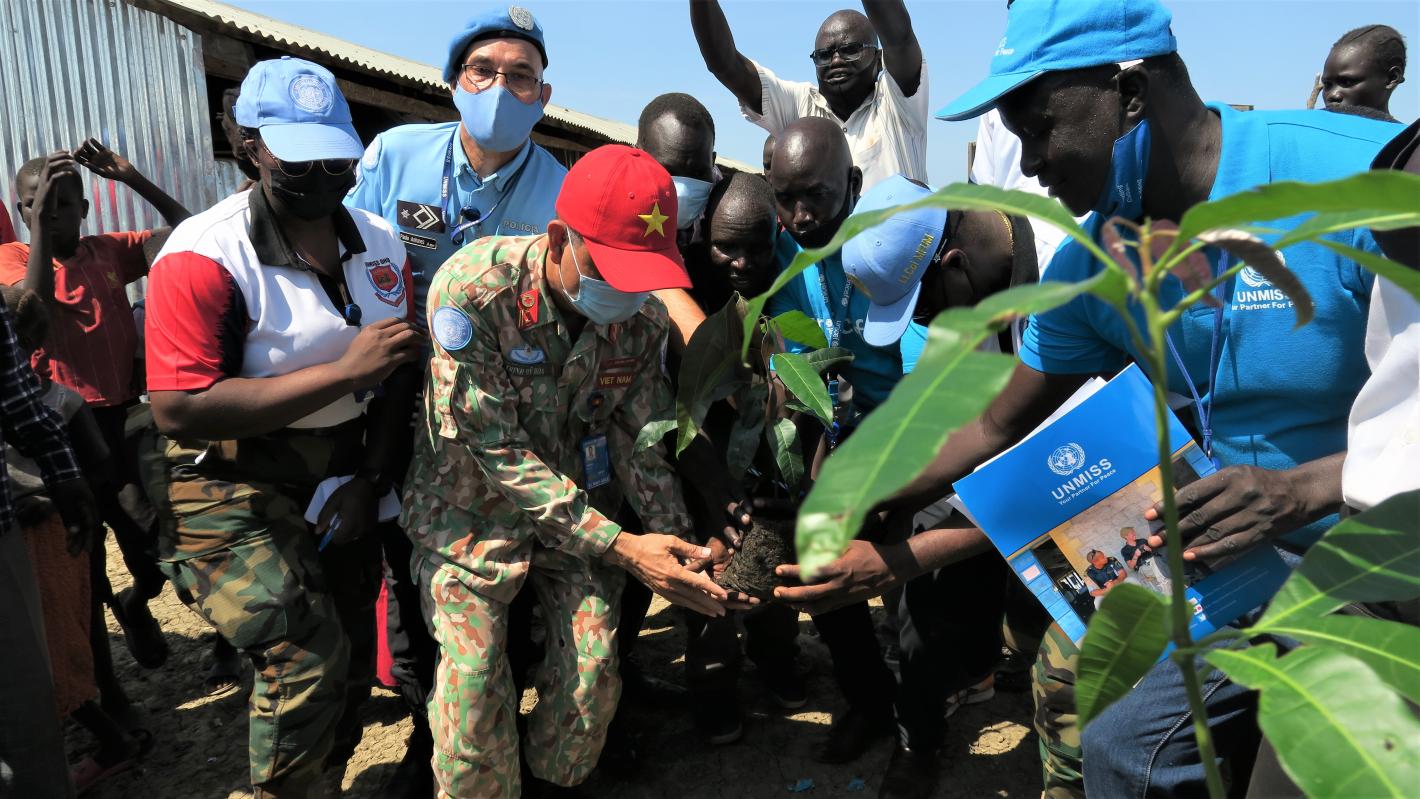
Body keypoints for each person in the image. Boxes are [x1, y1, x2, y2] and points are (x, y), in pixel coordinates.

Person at [788, 0, 1397, 795]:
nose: (1029, 162)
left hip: (1374, 555)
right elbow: (1001, 419)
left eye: (1038, 128)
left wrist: (1302, 487)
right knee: (1119, 748)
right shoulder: (1093, 261)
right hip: (1233, 563)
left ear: (1131, 92)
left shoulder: (1363, 179)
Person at [404, 144, 745, 797]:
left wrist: (681, 551)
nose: (624, 290)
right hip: (468, 518)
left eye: (642, 273)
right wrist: (624, 545)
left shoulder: (641, 320)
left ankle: (557, 782)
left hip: (572, 525)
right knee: (473, 693)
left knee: (593, 674)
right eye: (610, 268)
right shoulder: (474, 293)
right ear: (558, 238)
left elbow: (639, 440)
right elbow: (495, 448)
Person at [142, 57, 423, 797]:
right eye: (299, 157)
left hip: (338, 468)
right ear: (249, 148)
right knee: (306, 654)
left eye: (336, 153)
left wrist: (371, 480)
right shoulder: (205, 255)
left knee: (355, 658)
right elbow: (180, 405)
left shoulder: (380, 244)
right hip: (225, 478)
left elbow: (398, 375)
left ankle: (322, 776)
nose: (324, 171)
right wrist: (343, 373)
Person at [343, 9, 566, 792]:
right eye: (483, 70)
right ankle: (425, 730)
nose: (500, 87)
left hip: (500, 423)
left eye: (520, 76)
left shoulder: (560, 195)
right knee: (412, 581)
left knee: (504, 587)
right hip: (399, 406)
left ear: (544, 94)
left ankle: (510, 733)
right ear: (452, 81)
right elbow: (346, 256)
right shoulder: (395, 158)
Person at [771, 170, 1036, 798]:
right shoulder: (974, 289)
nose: (925, 320)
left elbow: (1045, 476)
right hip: (1011, 463)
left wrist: (897, 561)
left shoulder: (1061, 287)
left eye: (921, 302)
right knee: (929, 603)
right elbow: (984, 432)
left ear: (954, 261)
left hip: (1096, 484)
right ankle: (922, 730)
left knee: (1049, 653)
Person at [2, 142, 190, 673]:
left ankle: (137, 602)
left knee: (150, 541)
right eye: (40, 205)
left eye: (65, 204)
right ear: (23, 211)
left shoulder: (106, 251)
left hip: (118, 420)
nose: (53, 214)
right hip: (56, 432)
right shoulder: (13, 258)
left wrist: (134, 178)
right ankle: (107, 641)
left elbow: (190, 230)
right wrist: (38, 232)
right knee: (82, 558)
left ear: (85, 209)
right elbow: (30, 309)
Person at [0, 284, 148, 793]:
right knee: (62, 646)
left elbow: (98, 465)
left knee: (59, 650)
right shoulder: (43, 403)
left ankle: (111, 737)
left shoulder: (60, 401)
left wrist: (60, 495)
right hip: (38, 538)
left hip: (55, 540)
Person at [0, 280, 103, 799]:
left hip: (20, 538)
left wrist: (64, 479)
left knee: (27, 695)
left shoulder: (61, 399)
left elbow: (18, 399)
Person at [689, 0, 928, 189]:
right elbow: (724, 63)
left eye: (850, 50)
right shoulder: (799, 105)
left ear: (878, 59)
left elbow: (900, 38)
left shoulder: (899, 102)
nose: (836, 61)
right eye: (824, 55)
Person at [1320, 25, 1407, 121]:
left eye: (1347, 82)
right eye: (1327, 85)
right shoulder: (1311, 132)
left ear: (1391, 78)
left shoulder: (1407, 135)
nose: (1333, 95)